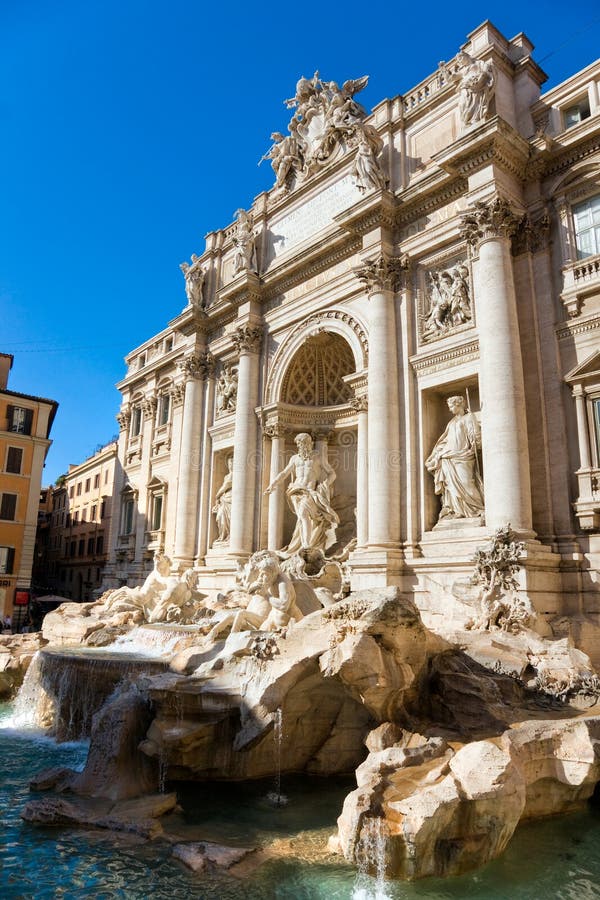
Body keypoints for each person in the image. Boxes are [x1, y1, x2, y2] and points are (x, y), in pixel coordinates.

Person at [265, 433, 339, 553]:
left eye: (304, 443)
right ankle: (304, 544)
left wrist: (324, 484)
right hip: (295, 490)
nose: (301, 446)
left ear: (309, 443)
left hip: (309, 491)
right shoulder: (294, 459)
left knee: (303, 514)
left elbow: (332, 473)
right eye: (299, 444)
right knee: (301, 516)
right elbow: (284, 473)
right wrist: (273, 484)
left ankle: (306, 545)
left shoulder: (318, 457)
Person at [425, 396, 484, 521]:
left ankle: (477, 508)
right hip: (448, 457)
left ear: (459, 405)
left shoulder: (469, 417)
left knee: (467, 482)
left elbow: (476, 436)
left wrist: (476, 442)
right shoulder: (451, 423)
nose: (450, 409)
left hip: (464, 456)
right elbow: (445, 440)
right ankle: (456, 510)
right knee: (450, 485)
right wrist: (436, 454)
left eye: (452, 406)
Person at [212, 456, 233, 544]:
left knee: (228, 517)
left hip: (231, 498)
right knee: (220, 517)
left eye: (232, 463)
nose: (230, 465)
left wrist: (217, 495)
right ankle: (223, 536)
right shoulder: (226, 476)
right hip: (224, 499)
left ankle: (229, 536)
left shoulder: (234, 475)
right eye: (229, 463)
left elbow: (227, 485)